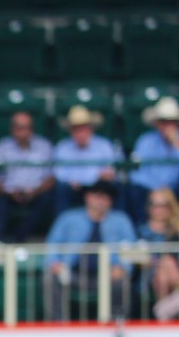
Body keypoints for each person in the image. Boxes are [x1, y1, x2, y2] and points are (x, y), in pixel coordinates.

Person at [44, 179, 135, 323]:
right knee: (51, 277)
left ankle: (117, 325)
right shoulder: (69, 218)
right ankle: (58, 324)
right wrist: (55, 263)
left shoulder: (121, 220)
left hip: (107, 275)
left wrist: (123, 267)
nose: (101, 201)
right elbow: (53, 243)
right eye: (97, 195)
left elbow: (130, 247)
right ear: (87, 197)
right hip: (72, 273)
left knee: (121, 281)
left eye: (106, 197)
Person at [0, 110, 55, 245]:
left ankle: (19, 239)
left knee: (48, 199)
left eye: (27, 128)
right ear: (12, 129)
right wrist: (8, 192)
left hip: (36, 192)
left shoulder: (44, 146)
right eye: (19, 128)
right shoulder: (1, 147)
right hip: (8, 193)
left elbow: (50, 178)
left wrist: (35, 192)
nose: (23, 132)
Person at [53, 104, 121, 216]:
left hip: (98, 187)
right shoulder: (62, 147)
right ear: (70, 130)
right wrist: (81, 179)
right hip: (73, 188)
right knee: (61, 189)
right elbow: (59, 173)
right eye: (76, 129)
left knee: (116, 186)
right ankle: (62, 227)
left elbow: (109, 171)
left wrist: (90, 178)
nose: (80, 132)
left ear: (90, 128)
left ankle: (116, 226)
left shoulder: (104, 145)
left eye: (83, 128)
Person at [130, 99, 179, 225]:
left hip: (175, 188)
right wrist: (157, 188)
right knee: (134, 191)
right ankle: (142, 230)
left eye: (171, 122)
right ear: (157, 123)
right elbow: (136, 172)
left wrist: (176, 144)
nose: (167, 126)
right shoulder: (145, 141)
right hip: (149, 188)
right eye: (163, 122)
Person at [141, 188, 179, 322]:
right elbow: (136, 256)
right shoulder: (141, 231)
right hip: (149, 276)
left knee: (166, 267)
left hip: (173, 274)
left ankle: (163, 316)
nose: (158, 209)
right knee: (164, 269)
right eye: (154, 205)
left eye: (163, 205)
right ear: (148, 207)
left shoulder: (176, 230)